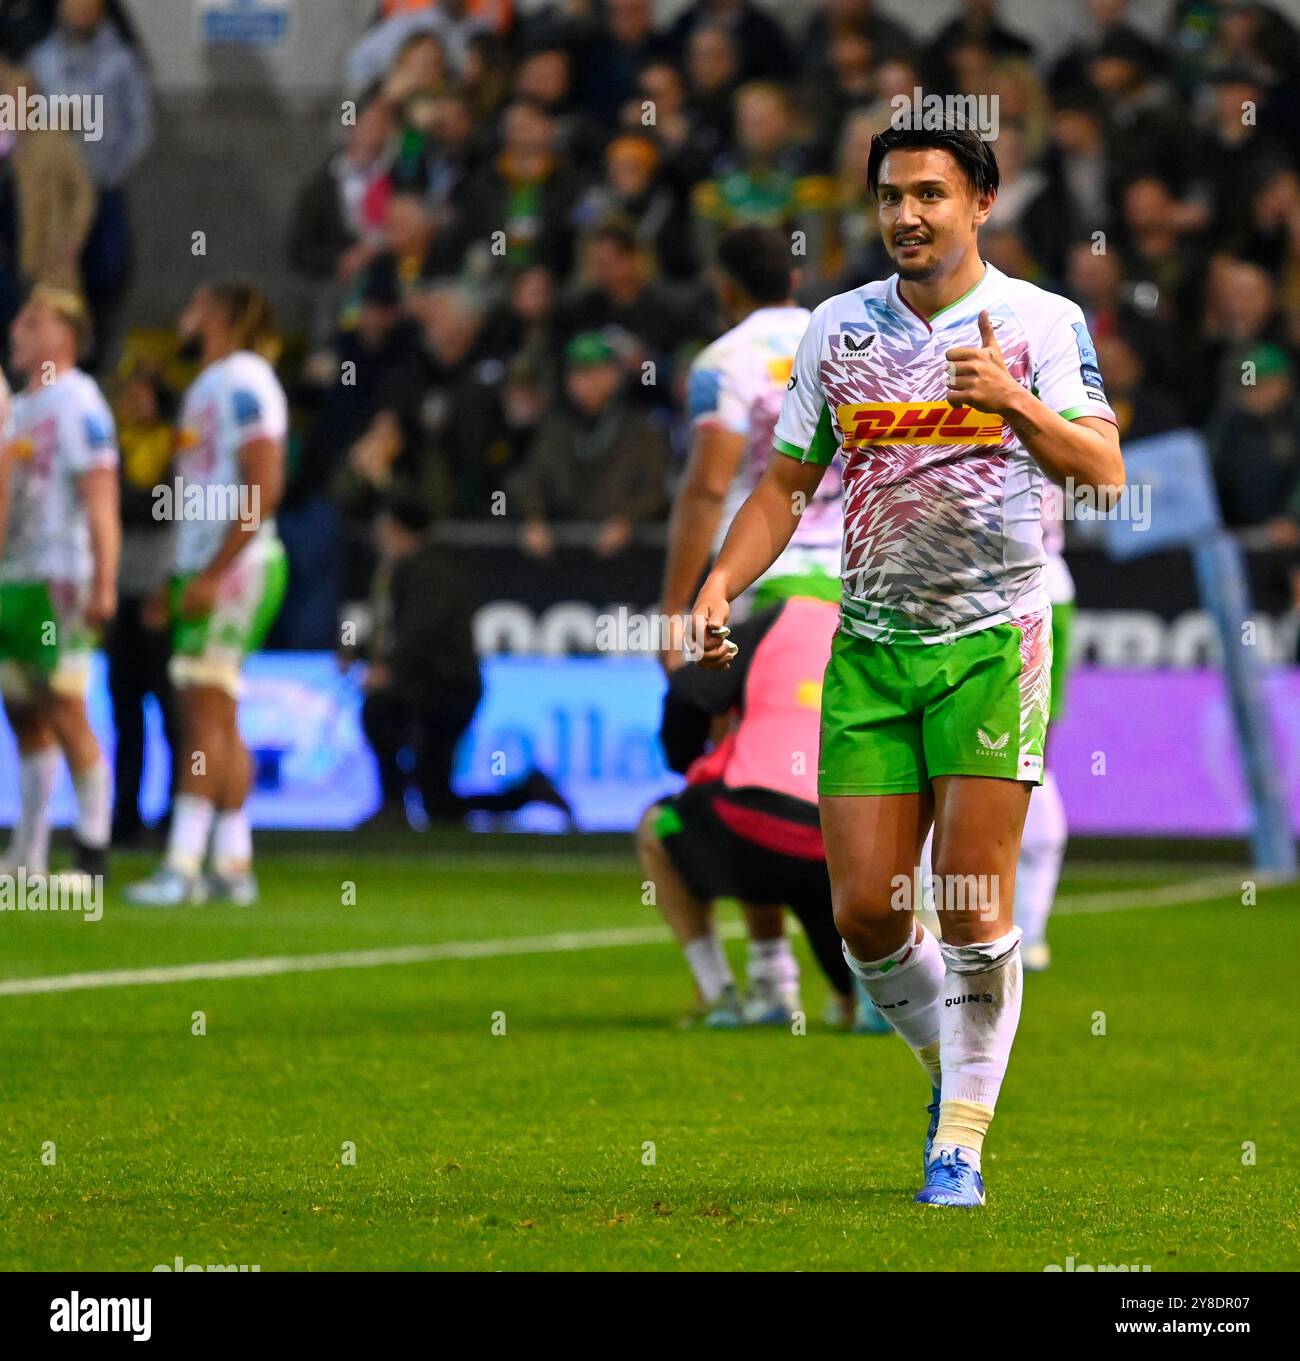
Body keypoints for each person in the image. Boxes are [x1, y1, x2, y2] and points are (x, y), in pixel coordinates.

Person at [688, 123, 1124, 1208]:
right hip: (870, 644)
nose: (905, 216)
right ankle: (956, 1077)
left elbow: (1105, 472)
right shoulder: (838, 329)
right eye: (889, 196)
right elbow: (785, 485)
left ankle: (959, 1147)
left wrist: (1016, 405)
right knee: (868, 917)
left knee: (973, 904)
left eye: (929, 193)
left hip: (991, 644)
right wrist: (717, 581)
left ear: (979, 201)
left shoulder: (1041, 322)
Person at [641, 592, 884, 1032]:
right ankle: (872, 995)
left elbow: (690, 692)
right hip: (837, 851)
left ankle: (724, 995)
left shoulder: (778, 619)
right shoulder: (880, 636)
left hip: (744, 832)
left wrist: (683, 760)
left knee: (656, 824)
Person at [124, 283, 288, 907]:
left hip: (236, 564)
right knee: (217, 712)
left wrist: (218, 571)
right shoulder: (213, 383)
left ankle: (183, 864)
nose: (182, 315)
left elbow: (265, 479)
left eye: (193, 305)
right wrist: (181, 573)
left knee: (201, 714)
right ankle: (232, 861)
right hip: (213, 560)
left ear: (219, 316)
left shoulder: (244, 380)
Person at [354, 494, 571, 828]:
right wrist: (356, 654)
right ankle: (527, 792)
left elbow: (420, 632)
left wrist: (388, 669)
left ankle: (394, 804)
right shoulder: (415, 568)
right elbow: (395, 628)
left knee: (380, 711)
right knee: (438, 803)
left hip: (444, 689)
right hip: (440, 687)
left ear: (398, 530)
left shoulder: (427, 571)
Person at [0, 285, 119, 881]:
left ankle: (93, 854)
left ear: (64, 336)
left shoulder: (79, 402)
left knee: (66, 706)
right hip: (13, 573)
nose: (17, 330)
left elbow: (101, 499)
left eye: (33, 321)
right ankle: (29, 853)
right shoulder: (19, 406)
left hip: (58, 574)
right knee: (23, 709)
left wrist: (105, 580)